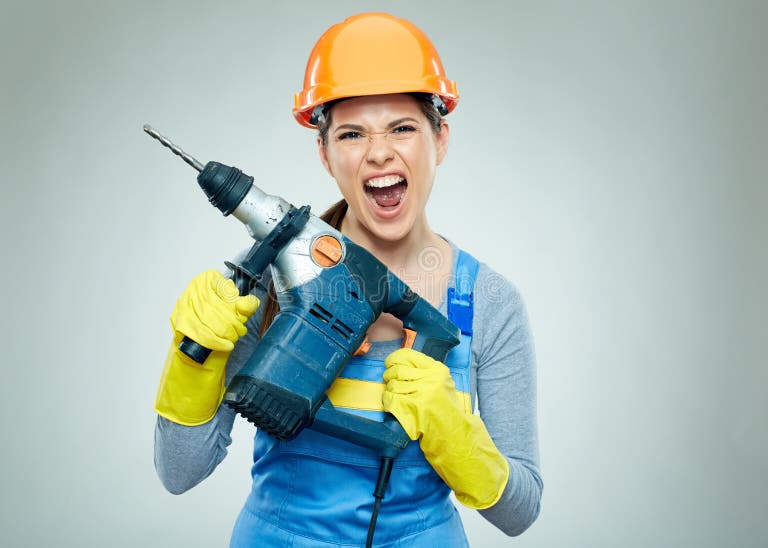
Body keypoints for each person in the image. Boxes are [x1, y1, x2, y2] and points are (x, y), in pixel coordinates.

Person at [153, 12, 542, 547]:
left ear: (440, 139)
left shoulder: (489, 302)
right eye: (353, 133)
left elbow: (520, 513)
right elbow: (180, 474)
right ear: (325, 152)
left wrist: (459, 441)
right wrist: (193, 358)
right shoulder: (263, 275)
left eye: (402, 127)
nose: (379, 152)